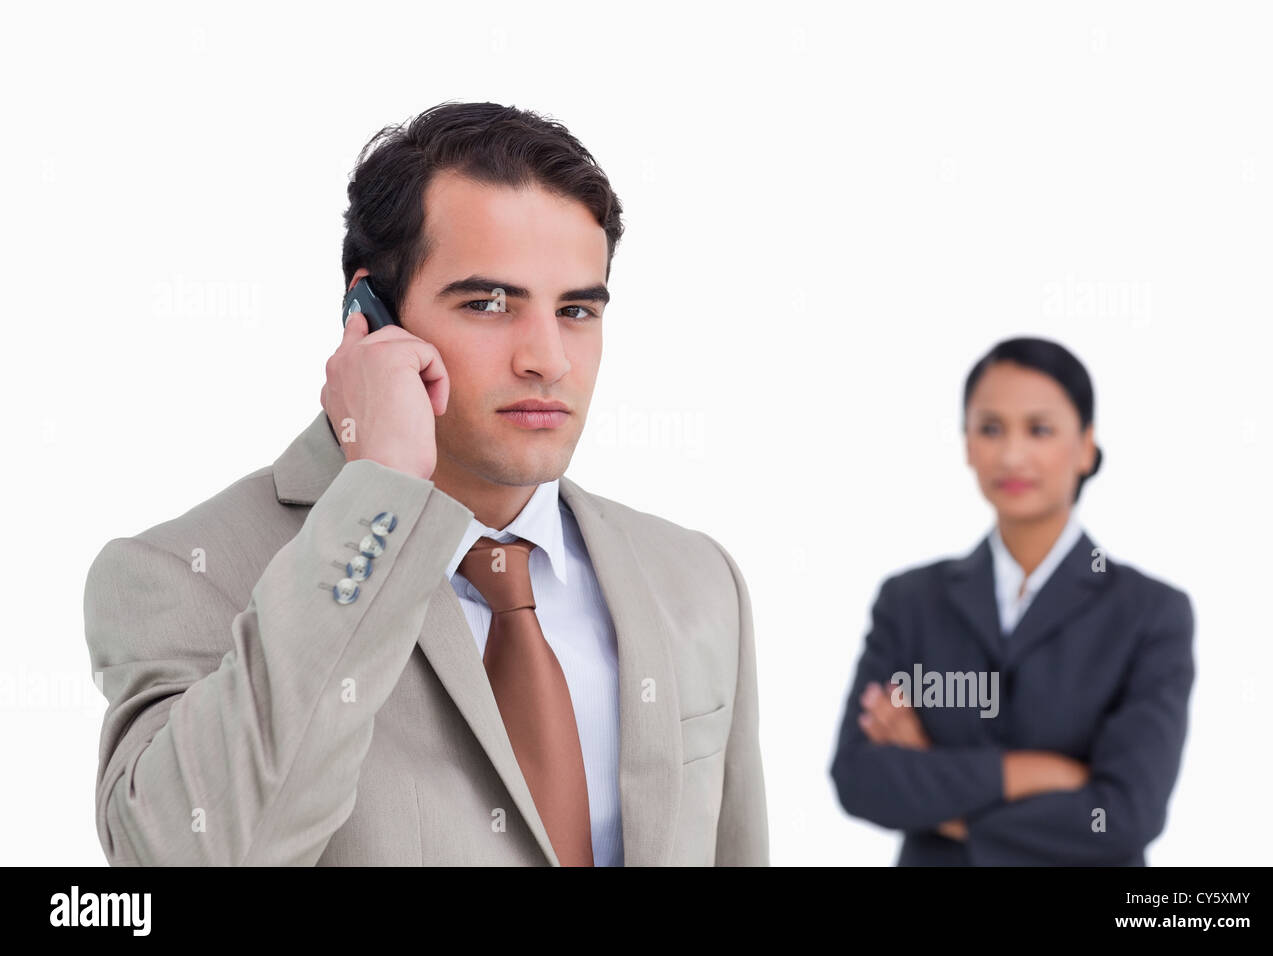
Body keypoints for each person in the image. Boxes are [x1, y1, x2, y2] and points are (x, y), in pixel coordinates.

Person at [83, 101, 767, 867]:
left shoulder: (699, 580)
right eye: (488, 304)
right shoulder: (181, 576)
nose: (549, 359)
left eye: (576, 309)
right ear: (370, 316)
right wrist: (377, 493)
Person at [830, 336, 1194, 865]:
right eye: (990, 428)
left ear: (1086, 446)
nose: (1012, 454)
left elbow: (1125, 814)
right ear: (967, 444)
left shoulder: (1150, 612)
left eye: (1039, 429)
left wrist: (939, 789)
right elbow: (858, 778)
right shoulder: (910, 600)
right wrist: (1032, 774)